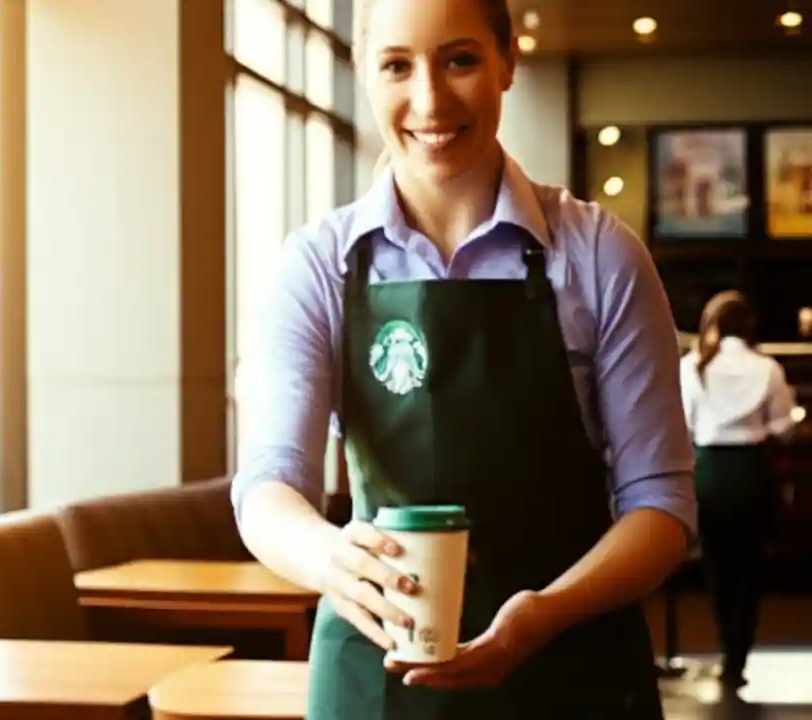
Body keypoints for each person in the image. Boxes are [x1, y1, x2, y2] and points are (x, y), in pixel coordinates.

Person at [229, 0, 697, 716]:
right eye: (396, 65)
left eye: (461, 60)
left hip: (572, 667)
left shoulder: (601, 255)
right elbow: (267, 487)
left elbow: (662, 506)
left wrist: (543, 613)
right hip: (373, 667)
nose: (429, 100)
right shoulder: (319, 267)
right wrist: (335, 563)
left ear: (508, 59)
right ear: (362, 70)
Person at [680, 291, 796, 690]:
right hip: (750, 470)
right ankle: (737, 654)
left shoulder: (692, 366)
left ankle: (725, 641)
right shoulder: (767, 368)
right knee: (749, 567)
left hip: (709, 470)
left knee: (716, 564)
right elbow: (783, 426)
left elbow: (683, 424)